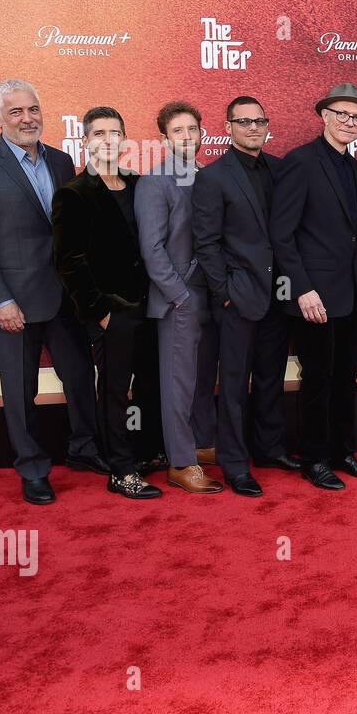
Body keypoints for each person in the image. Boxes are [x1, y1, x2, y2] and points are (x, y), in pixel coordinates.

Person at [0, 79, 105, 504]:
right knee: (20, 392)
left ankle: (84, 450)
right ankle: (33, 469)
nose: (27, 118)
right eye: (16, 111)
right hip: (12, 304)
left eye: (32, 109)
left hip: (63, 300)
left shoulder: (60, 161)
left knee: (79, 379)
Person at [270, 83, 357, 490]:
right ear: (325, 117)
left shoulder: (353, 166)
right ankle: (314, 459)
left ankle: (341, 451)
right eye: (342, 114)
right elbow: (282, 234)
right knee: (317, 379)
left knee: (345, 377)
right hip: (314, 296)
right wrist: (302, 289)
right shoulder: (300, 163)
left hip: (350, 292)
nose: (350, 122)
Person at [192, 95, 298, 498]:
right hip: (239, 298)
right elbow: (207, 244)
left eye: (259, 121)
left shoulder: (279, 169)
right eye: (244, 122)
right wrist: (225, 293)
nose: (253, 128)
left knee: (271, 377)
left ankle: (270, 450)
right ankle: (235, 464)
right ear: (228, 126)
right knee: (234, 385)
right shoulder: (213, 177)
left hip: (279, 295)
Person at [52, 107, 161, 499]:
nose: (108, 140)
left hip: (150, 307)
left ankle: (147, 454)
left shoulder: (138, 184)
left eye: (115, 133)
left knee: (150, 384)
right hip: (111, 312)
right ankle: (120, 470)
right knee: (115, 391)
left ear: (125, 140)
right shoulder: (74, 193)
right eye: (99, 134)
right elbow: (69, 260)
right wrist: (99, 312)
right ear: (86, 142)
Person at [136, 101, 222, 494]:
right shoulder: (155, 182)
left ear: (202, 132)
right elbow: (151, 248)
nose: (188, 137)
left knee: (204, 378)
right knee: (178, 382)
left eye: (193, 129)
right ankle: (180, 463)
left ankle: (201, 446)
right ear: (164, 138)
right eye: (178, 131)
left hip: (212, 293)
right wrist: (179, 295)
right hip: (179, 299)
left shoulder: (206, 175)